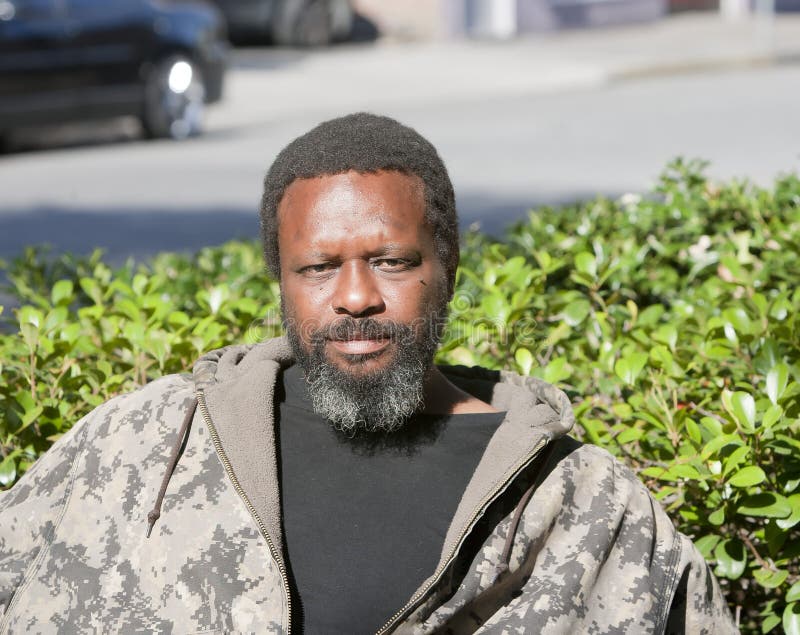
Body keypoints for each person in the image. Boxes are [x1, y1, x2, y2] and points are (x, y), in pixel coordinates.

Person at [0, 113, 736, 634]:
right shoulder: (147, 442)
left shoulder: (584, 503)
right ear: (281, 281)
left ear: (447, 268)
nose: (355, 297)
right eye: (318, 267)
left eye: (391, 260)